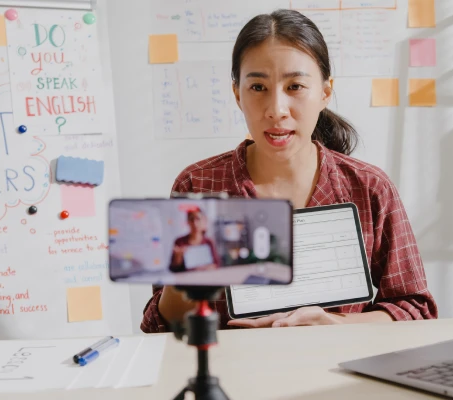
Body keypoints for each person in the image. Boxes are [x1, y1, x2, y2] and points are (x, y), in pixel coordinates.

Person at [141, 9, 437, 333]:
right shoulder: (198, 185)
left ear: (324, 92)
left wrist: (333, 322)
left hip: (339, 375)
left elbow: (415, 309)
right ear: (237, 93)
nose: (276, 110)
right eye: (258, 88)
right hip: (235, 377)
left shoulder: (369, 188)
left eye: (295, 86)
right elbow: (159, 325)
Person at [169, 207, 220, 273]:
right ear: (187, 222)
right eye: (191, 219)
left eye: (198, 219)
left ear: (203, 220)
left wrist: (208, 268)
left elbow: (217, 265)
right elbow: (173, 269)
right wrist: (178, 258)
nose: (195, 223)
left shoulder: (209, 242)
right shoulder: (180, 242)